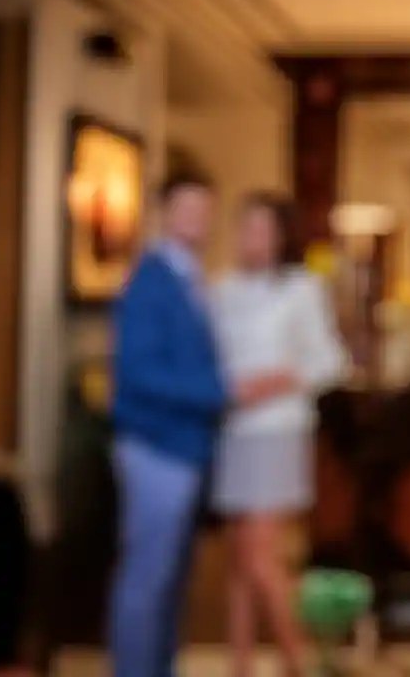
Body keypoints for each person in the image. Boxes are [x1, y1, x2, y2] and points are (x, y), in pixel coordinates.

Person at [110, 176, 289, 677]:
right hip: (156, 447)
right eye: (185, 208)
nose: (196, 219)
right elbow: (139, 372)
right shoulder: (151, 279)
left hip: (188, 448)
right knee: (146, 581)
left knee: (170, 582)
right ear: (164, 213)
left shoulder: (192, 279)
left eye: (204, 210)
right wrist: (223, 392)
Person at [210, 194, 347, 676]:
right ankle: (240, 664)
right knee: (238, 562)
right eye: (245, 227)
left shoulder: (300, 289)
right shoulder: (223, 291)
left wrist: (272, 382)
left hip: (278, 431)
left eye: (262, 229)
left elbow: (330, 362)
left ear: (280, 237)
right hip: (233, 432)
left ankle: (298, 661)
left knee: (261, 557)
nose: (252, 238)